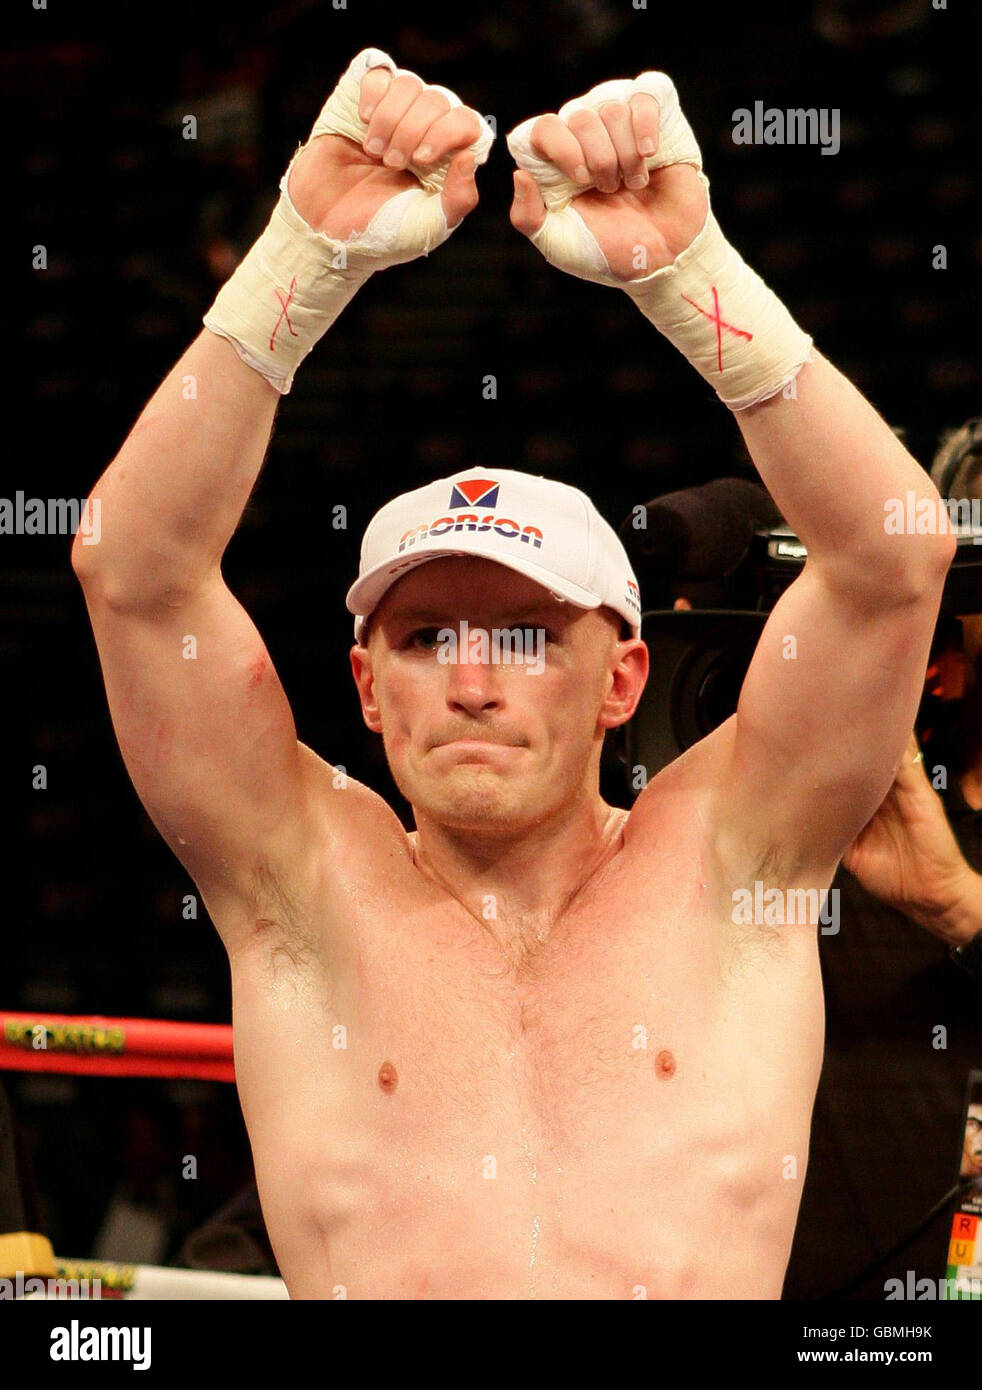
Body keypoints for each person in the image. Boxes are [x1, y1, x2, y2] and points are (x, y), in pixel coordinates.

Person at [72, 48, 957, 1299]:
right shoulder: (299, 881)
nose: (472, 682)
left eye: (528, 637)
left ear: (621, 677)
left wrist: (686, 273)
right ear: (367, 687)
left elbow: (895, 560)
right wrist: (302, 255)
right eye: (426, 638)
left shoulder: (733, 851)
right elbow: (134, 572)